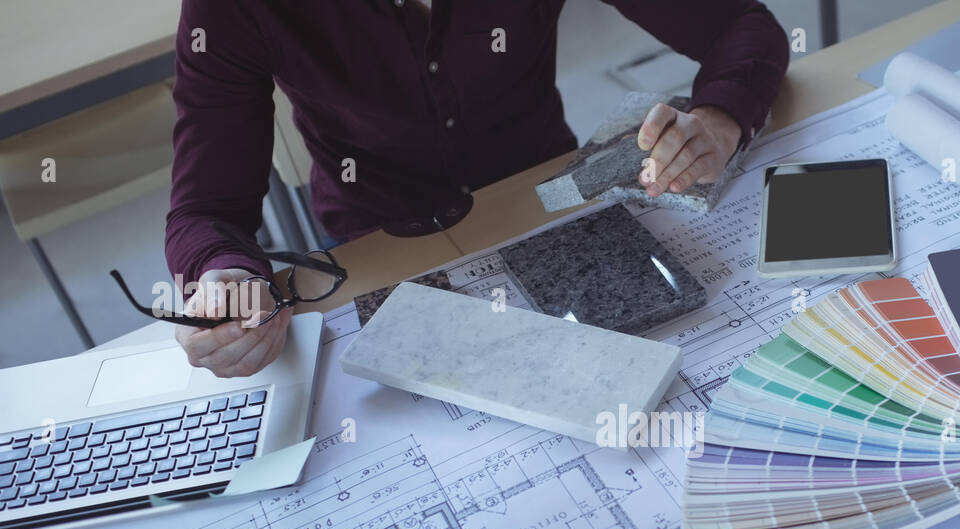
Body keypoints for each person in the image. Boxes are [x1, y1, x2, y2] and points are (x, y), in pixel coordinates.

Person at [165, 0, 790, 377]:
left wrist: (717, 120)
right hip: (376, 246)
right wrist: (222, 278)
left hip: (546, 208)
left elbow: (740, 25)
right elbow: (205, 207)